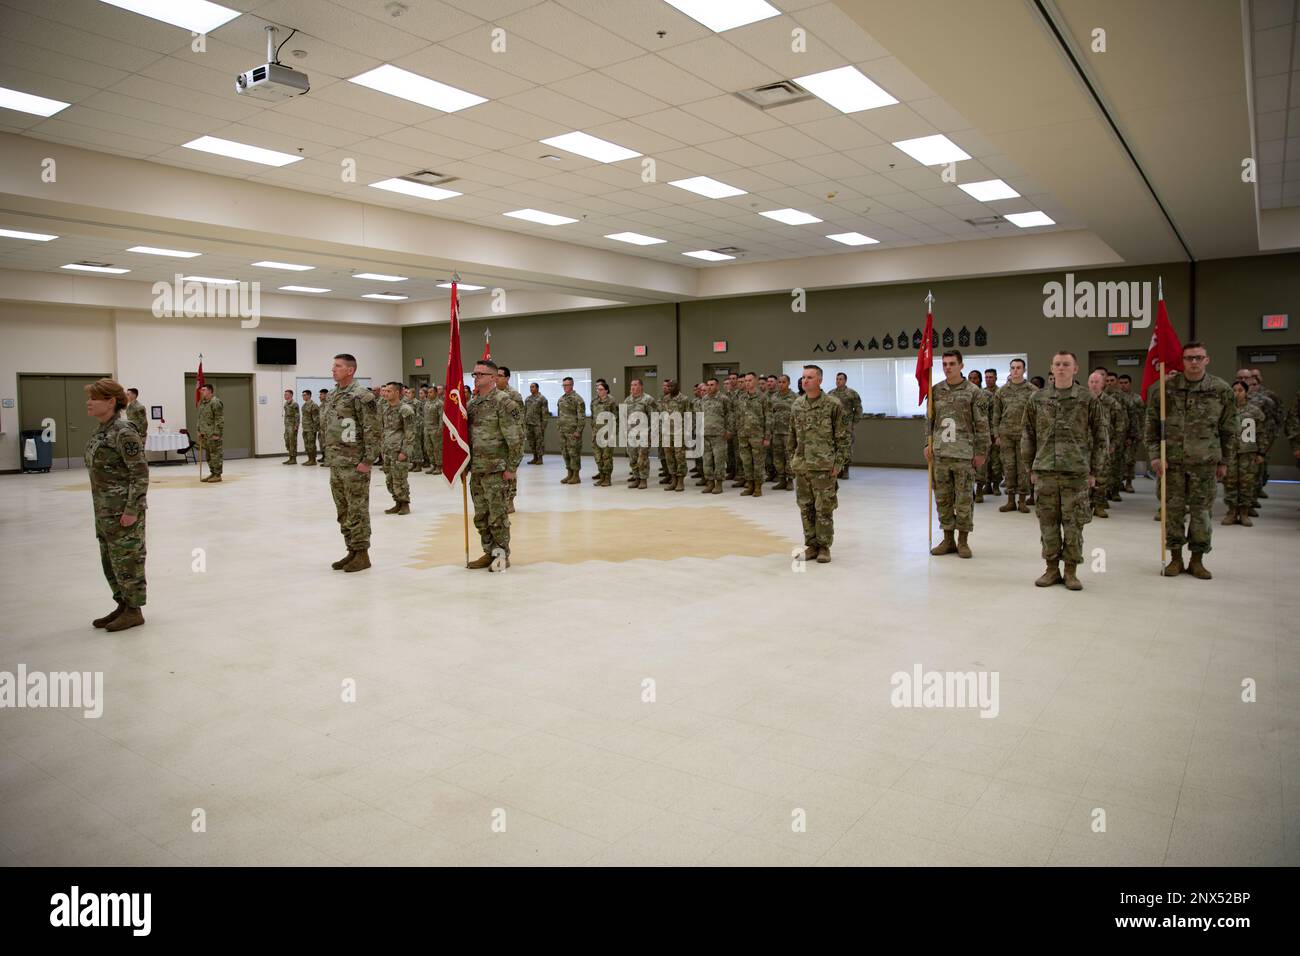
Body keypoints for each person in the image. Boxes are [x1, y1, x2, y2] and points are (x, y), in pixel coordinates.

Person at [1145, 342, 1235, 579]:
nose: (1193, 362)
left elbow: (1228, 428)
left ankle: (1197, 559)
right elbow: (1151, 425)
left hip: (1204, 464)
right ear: (1182, 361)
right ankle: (1175, 558)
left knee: (1201, 513)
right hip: (1171, 464)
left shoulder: (1220, 389)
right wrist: (1155, 455)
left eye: (1198, 358)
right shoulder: (1166, 389)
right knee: (1172, 512)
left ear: (1207, 360)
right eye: (1189, 358)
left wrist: (1225, 460)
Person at [1022, 351, 1108, 590]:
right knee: (1048, 523)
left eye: (1066, 364)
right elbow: (1027, 434)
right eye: (1058, 364)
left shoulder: (1087, 399)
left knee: (1073, 524)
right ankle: (1051, 569)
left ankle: (1071, 571)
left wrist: (1095, 472)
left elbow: (1102, 436)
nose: (1061, 368)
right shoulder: (1037, 398)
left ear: (1075, 368)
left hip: (1076, 472)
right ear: (1051, 367)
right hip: (1045, 470)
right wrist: (1030, 467)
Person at [84, 378, 149, 632]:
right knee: (110, 560)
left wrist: (132, 510)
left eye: (94, 398)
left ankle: (134, 610)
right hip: (104, 510)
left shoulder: (124, 432)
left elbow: (140, 474)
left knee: (128, 560)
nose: (88, 403)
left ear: (111, 402)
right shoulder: (101, 431)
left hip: (123, 511)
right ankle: (122, 604)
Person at [925, 350, 989, 558]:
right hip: (941, 454)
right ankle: (948, 539)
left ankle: (963, 541)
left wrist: (981, 451)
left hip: (963, 454)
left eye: (952, 363)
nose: (948, 367)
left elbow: (982, 424)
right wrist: (927, 444)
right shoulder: (935, 391)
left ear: (961, 366)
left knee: (963, 500)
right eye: (944, 364)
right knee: (942, 499)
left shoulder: (973, 392)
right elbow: (929, 422)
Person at [322, 354, 381, 573]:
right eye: (333, 366)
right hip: (337, 462)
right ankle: (351, 550)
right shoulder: (334, 395)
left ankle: (362, 553)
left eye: (337, 366)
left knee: (357, 510)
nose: (333, 369)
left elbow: (372, 430)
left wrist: (367, 460)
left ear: (350, 370)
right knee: (343, 510)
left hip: (355, 463)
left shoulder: (361, 396)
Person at [789, 364, 849, 563]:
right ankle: (811, 545)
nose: (805, 380)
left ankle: (824, 546)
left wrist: (839, 463)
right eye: (804, 377)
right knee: (805, 507)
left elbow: (843, 436)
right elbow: (792, 436)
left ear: (820, 380)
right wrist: (793, 459)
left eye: (810, 377)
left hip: (824, 465)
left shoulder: (833, 404)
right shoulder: (797, 405)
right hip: (802, 465)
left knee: (823, 507)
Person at [467, 360, 523, 570]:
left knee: (497, 516)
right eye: (474, 374)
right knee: (481, 516)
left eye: (481, 374)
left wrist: (512, 467)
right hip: (478, 469)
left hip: (497, 470)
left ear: (492, 377)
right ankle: (488, 552)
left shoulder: (504, 402)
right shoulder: (473, 404)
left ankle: (501, 555)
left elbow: (516, 438)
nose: (476, 377)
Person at [1222, 379, 1272, 526]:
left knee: (1246, 482)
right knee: (1229, 482)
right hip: (1230, 453)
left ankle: (1244, 512)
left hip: (1248, 453)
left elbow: (1262, 433)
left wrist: (1261, 453)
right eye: (1234, 390)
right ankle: (1231, 512)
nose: (1237, 393)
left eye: (1240, 390)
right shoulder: (1225, 411)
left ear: (1246, 392)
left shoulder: (1255, 411)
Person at [991, 359, 1032, 513]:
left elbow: (1035, 416)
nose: (1015, 370)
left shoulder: (1032, 390)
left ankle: (1022, 501)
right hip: (1006, 434)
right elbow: (996, 415)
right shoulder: (1002, 391)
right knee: (1008, 468)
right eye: (1013, 368)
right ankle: (1010, 501)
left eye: (1018, 368)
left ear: (1024, 370)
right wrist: (996, 435)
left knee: (1023, 469)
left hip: (1024, 435)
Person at [1085, 371, 1122, 519]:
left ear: (1103, 383)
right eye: (1092, 382)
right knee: (1084, 476)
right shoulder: (1082, 401)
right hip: (1084, 446)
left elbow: (1120, 425)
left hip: (1103, 446)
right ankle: (1086, 504)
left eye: (1097, 382)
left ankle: (1099, 505)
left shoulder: (1111, 403)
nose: (1094, 385)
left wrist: (1114, 443)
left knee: (1102, 477)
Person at [379, 382, 416, 515]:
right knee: (389, 479)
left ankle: (405, 504)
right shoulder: (385, 409)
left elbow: (410, 432)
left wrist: (405, 451)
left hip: (399, 450)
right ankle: (397, 503)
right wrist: (382, 450)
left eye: (389, 391)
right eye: (385, 391)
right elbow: (383, 430)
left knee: (400, 478)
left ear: (397, 393)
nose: (386, 393)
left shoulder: (405, 409)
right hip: (388, 449)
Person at [733, 372, 771, 497]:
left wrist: (767, 437)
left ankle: (758, 487)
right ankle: (750, 486)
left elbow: (769, 418)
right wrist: (738, 431)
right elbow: (738, 416)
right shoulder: (741, 398)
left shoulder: (763, 398)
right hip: (743, 435)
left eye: (749, 380)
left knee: (758, 463)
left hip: (757, 436)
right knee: (746, 462)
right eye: (745, 381)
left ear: (755, 381)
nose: (747, 383)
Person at [496, 367, 525, 512]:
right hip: (496, 441)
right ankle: (500, 500)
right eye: (496, 375)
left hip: (510, 439)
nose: (497, 378)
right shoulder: (491, 394)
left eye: (500, 376)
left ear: (507, 378)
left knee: (510, 470)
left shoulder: (514, 395)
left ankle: (510, 500)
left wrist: (517, 443)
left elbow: (519, 420)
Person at [658, 379, 690, 492]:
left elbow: (688, 417)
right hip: (667, 433)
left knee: (680, 458)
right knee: (669, 458)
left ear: (677, 387)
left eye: (672, 386)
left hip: (679, 433)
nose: (670, 388)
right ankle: (673, 480)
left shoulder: (684, 399)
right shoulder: (665, 399)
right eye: (668, 386)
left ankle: (680, 481)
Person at [829, 372, 862, 478]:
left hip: (846, 425)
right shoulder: (831, 393)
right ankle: (837, 469)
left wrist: (853, 422)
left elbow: (858, 409)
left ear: (845, 381)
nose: (838, 381)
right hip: (833, 425)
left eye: (840, 379)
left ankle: (846, 469)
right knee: (834, 447)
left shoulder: (852, 393)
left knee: (846, 447)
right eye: (837, 379)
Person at [623, 378, 655, 489]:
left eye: (635, 385)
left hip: (644, 434)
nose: (633, 387)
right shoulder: (627, 400)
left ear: (641, 386)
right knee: (632, 458)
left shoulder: (648, 399)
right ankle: (636, 478)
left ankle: (643, 480)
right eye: (631, 385)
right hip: (631, 435)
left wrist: (651, 433)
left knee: (643, 459)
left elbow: (654, 418)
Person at [697, 377, 728, 494]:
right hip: (706, 434)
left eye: (712, 385)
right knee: (707, 460)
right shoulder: (703, 399)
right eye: (708, 385)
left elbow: (729, 415)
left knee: (719, 460)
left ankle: (719, 484)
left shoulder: (723, 399)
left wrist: (728, 430)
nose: (709, 387)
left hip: (719, 434)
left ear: (717, 386)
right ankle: (710, 483)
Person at [556, 375, 586, 484]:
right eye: (563, 385)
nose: (565, 387)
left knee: (574, 453)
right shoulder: (561, 399)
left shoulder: (578, 399)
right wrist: (559, 427)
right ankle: (569, 474)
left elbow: (581, 417)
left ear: (572, 385)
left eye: (567, 385)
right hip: (563, 431)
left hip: (573, 432)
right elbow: (560, 415)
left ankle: (576, 476)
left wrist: (578, 430)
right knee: (565, 453)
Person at [769, 374, 795, 490]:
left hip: (789, 433)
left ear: (788, 383)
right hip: (776, 432)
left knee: (789, 456)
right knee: (777, 457)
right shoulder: (773, 397)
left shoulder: (795, 397)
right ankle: (781, 479)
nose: (781, 384)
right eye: (779, 382)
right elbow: (770, 414)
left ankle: (790, 480)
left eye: (783, 382)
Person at [589, 379, 617, 486]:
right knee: (598, 456)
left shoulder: (611, 401)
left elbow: (615, 417)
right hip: (596, 433)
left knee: (606, 457)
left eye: (601, 389)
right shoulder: (594, 401)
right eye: (597, 389)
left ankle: (607, 478)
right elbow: (592, 417)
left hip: (607, 433)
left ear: (606, 390)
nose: (598, 391)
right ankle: (601, 476)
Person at [196, 383, 224, 482]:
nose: (201, 391)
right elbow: (200, 418)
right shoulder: (203, 403)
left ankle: (217, 474)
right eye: (201, 390)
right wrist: (199, 430)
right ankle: (212, 473)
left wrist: (217, 434)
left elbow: (219, 419)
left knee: (215, 455)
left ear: (210, 391)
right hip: (205, 435)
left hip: (213, 434)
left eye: (203, 390)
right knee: (208, 456)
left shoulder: (215, 402)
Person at [984, 369, 1001, 495]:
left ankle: (996, 485)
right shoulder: (981, 393)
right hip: (984, 432)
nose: (989, 379)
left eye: (991, 377)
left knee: (996, 460)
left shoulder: (1000, 393)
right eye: (987, 377)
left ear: (995, 378)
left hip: (996, 431)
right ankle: (987, 484)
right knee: (986, 461)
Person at [524, 382, 549, 465]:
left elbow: (545, 413)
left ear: (537, 388)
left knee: (539, 442)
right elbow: (525, 411)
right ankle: (534, 457)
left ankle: (540, 458)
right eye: (530, 387)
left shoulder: (542, 399)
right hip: (529, 424)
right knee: (531, 442)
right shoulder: (527, 399)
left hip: (538, 424)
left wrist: (543, 425)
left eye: (533, 387)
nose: (531, 389)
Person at [425, 385, 444, 474]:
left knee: (437, 449)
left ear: (436, 393)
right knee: (429, 448)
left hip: (435, 429)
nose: (429, 394)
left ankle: (439, 466)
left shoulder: (439, 403)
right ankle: (433, 465)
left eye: (431, 392)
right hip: (427, 429)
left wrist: (440, 429)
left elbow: (441, 417)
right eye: (428, 392)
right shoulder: (427, 403)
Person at [300, 388, 320, 465]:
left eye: (304, 395)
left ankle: (313, 460)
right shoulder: (304, 405)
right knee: (307, 445)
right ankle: (309, 459)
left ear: (309, 395)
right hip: (305, 428)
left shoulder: (313, 405)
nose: (303, 397)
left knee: (311, 444)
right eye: (302, 395)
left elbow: (316, 418)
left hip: (311, 429)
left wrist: (315, 428)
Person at [282, 388, 299, 464]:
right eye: (284, 394)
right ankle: (290, 457)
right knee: (287, 441)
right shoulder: (286, 404)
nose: (285, 396)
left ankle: (293, 459)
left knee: (292, 442)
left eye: (286, 394)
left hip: (292, 425)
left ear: (291, 395)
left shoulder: (294, 404)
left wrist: (296, 425)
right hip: (287, 425)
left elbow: (297, 415)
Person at [318, 388, 331, 465]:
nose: (319, 396)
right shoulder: (321, 405)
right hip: (321, 428)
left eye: (321, 394)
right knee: (322, 443)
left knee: (327, 444)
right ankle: (324, 457)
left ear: (326, 395)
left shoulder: (329, 404)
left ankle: (328, 461)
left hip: (327, 428)